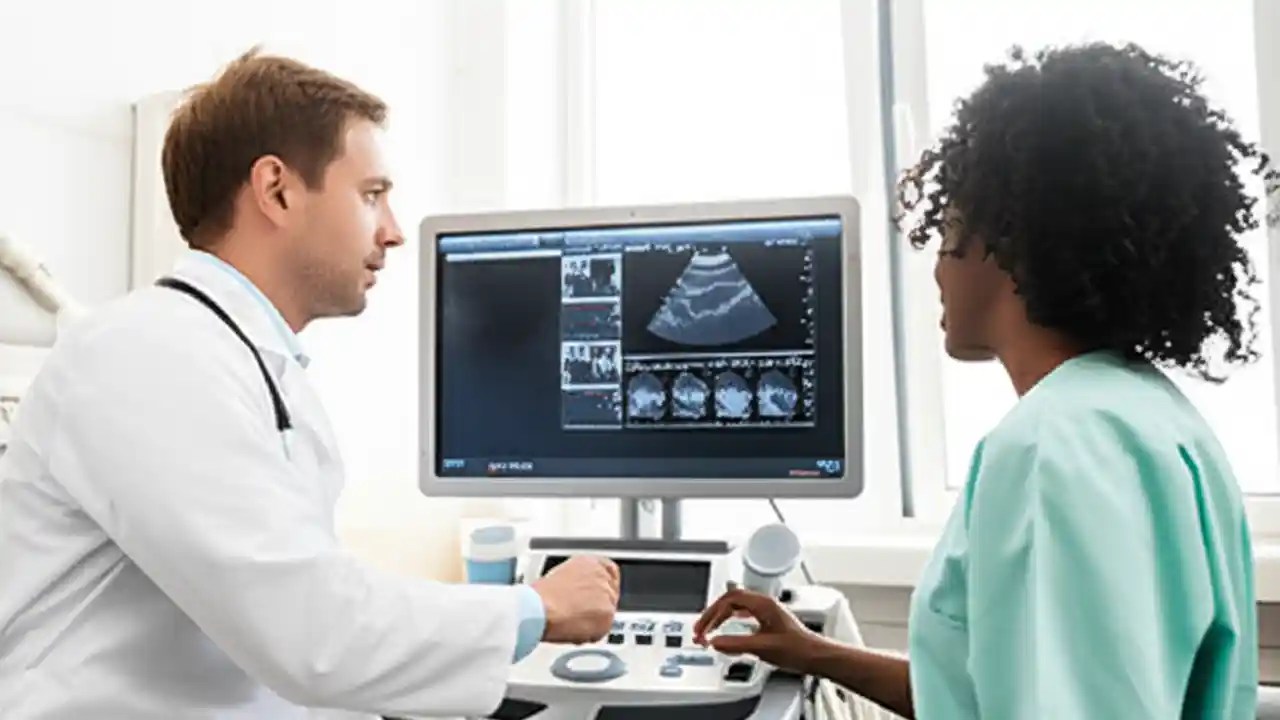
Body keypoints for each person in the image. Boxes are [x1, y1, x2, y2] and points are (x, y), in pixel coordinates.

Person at [0, 49, 620, 719]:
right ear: (277, 191)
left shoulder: (243, 361)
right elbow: (317, 634)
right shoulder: (143, 353)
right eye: (371, 195)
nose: (393, 231)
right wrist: (536, 608)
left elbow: (308, 617)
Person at [696, 42, 1277, 719]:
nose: (938, 272)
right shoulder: (1155, 419)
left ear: (1008, 243)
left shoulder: (1048, 448)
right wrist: (814, 652)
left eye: (944, 236)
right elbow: (1001, 697)